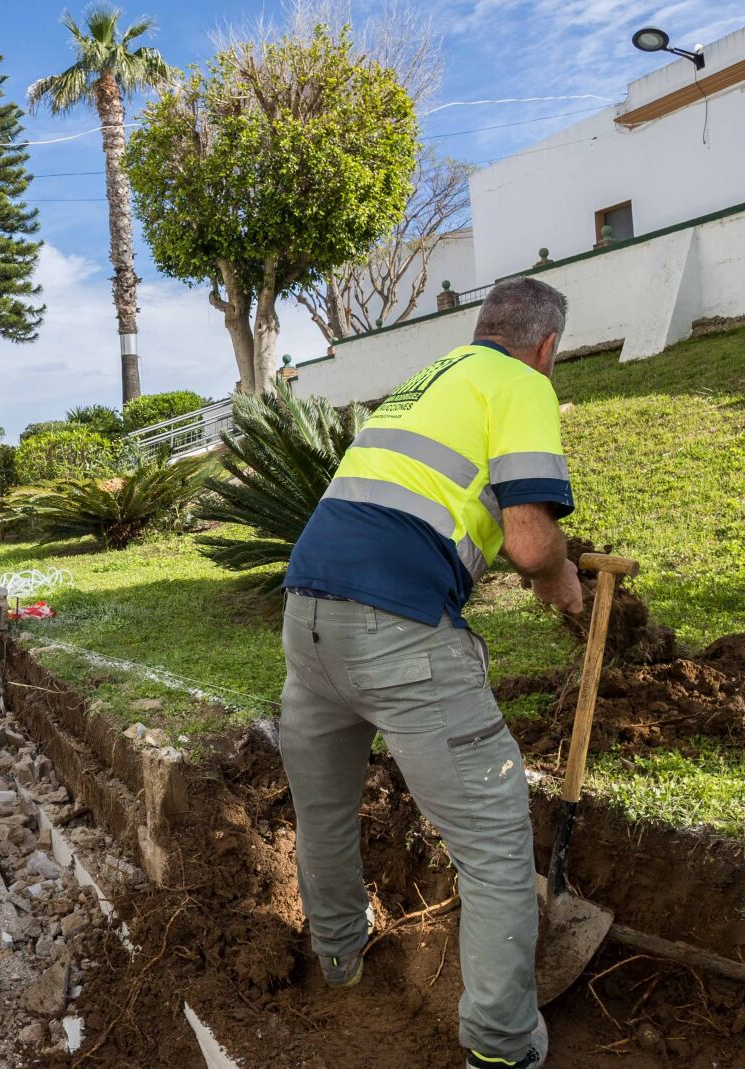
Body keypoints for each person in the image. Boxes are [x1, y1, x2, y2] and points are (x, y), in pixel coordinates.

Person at [279, 277, 585, 1069]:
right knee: (493, 845)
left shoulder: (429, 380)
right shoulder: (521, 382)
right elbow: (528, 540)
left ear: (482, 328)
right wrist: (561, 579)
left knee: (324, 813)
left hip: (307, 621)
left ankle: (340, 961)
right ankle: (500, 1044)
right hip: (398, 631)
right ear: (546, 347)